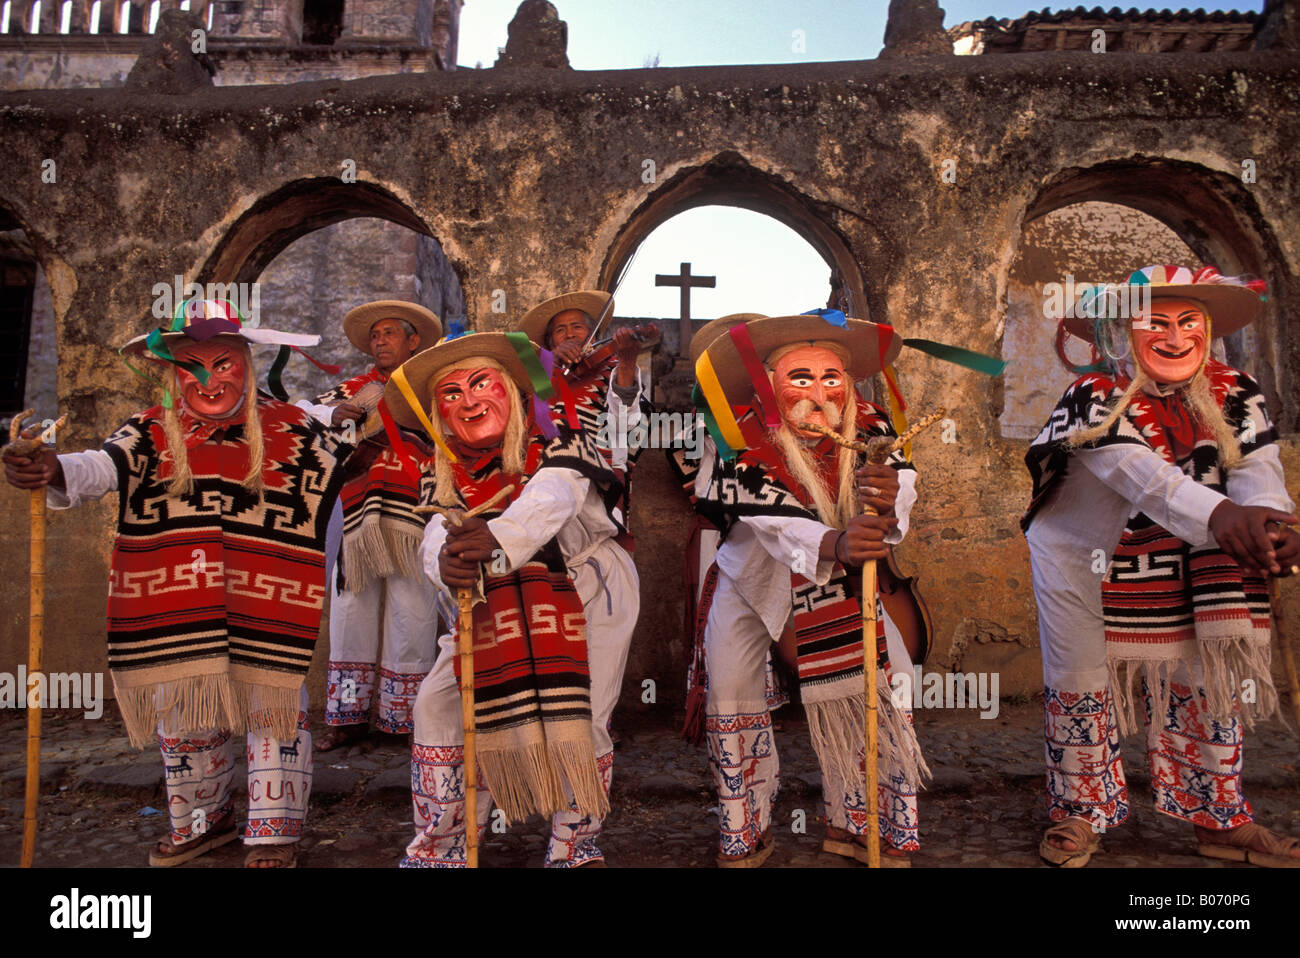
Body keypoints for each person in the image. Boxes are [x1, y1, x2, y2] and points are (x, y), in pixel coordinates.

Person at [3, 299, 353, 868]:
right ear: (171, 372)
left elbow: (336, 482)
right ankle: (203, 821)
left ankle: (273, 833)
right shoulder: (148, 430)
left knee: (273, 707)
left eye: (223, 363)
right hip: (182, 600)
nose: (208, 380)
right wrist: (56, 469)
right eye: (191, 366)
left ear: (246, 361)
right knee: (185, 705)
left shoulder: (293, 429)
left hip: (265, 600)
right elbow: (99, 465)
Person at [1023, 264, 1300, 868]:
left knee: (1204, 675)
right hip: (1082, 557)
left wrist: (1271, 524)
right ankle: (1080, 809)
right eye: (1156, 323)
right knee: (1082, 676)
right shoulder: (1092, 396)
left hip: (1191, 550)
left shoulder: (1236, 391)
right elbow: (1141, 478)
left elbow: (1258, 471)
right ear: (1125, 331)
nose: (1174, 339)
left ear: (1208, 332)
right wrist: (1230, 520)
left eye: (1188, 324)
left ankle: (1218, 816)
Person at [690, 311, 929, 867]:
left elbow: (904, 479)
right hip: (751, 580)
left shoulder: (870, 425)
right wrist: (836, 543)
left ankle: (859, 822)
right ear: (768, 383)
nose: (819, 392)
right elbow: (766, 519)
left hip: (845, 581)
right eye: (800, 377)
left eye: (831, 377)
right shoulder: (736, 436)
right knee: (732, 694)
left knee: (889, 682)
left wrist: (892, 496)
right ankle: (744, 827)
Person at [388, 328, 634, 867]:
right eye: (451, 395)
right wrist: (444, 563)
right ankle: (443, 848)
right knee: (439, 704)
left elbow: (555, 495)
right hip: (487, 594)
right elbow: (436, 529)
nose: (469, 402)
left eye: (482, 384)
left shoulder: (558, 433)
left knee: (584, 713)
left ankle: (575, 845)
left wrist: (496, 537)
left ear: (513, 391)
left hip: (585, 584)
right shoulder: (443, 466)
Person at [297, 301, 443, 751]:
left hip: (412, 516)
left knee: (413, 614)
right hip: (357, 518)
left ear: (413, 340)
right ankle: (347, 718)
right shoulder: (356, 389)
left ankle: (404, 719)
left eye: (389, 333)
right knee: (350, 615)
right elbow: (299, 413)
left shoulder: (431, 389)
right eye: (375, 335)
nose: (380, 341)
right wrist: (334, 415)